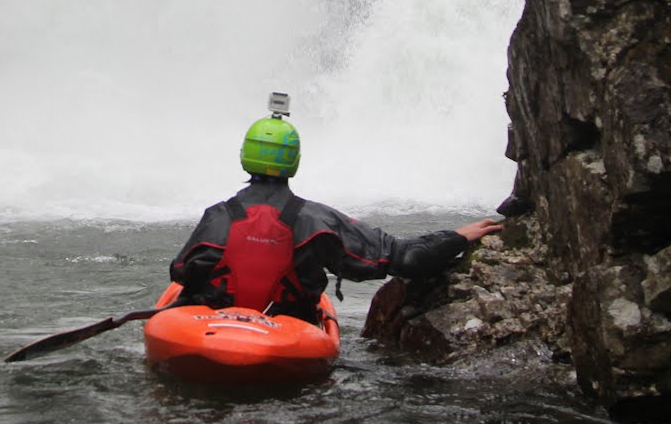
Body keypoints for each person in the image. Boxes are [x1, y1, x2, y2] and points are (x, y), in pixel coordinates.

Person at [169, 110, 502, 323]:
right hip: (287, 328)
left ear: (244, 157)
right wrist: (455, 238)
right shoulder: (317, 221)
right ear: (294, 162)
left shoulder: (217, 217)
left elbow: (181, 272)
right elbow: (405, 258)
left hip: (214, 328)